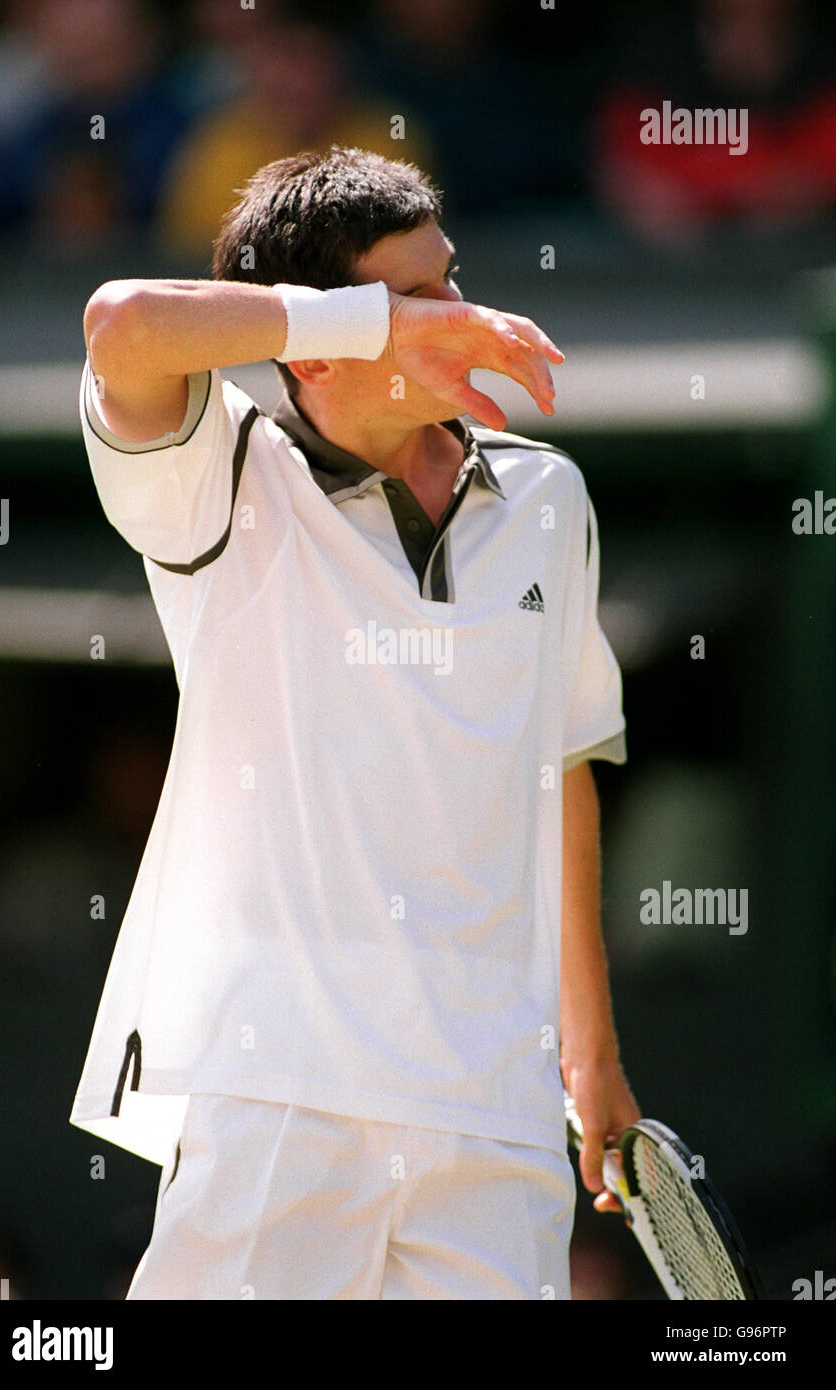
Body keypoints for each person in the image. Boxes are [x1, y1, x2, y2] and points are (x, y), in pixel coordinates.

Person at [71, 145, 640, 1300]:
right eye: (414, 296)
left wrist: (591, 1055)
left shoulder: (548, 498)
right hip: (272, 1086)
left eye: (451, 282)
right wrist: (367, 325)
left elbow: (560, 770)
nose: (458, 315)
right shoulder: (220, 476)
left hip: (496, 1108)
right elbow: (121, 321)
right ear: (332, 326)